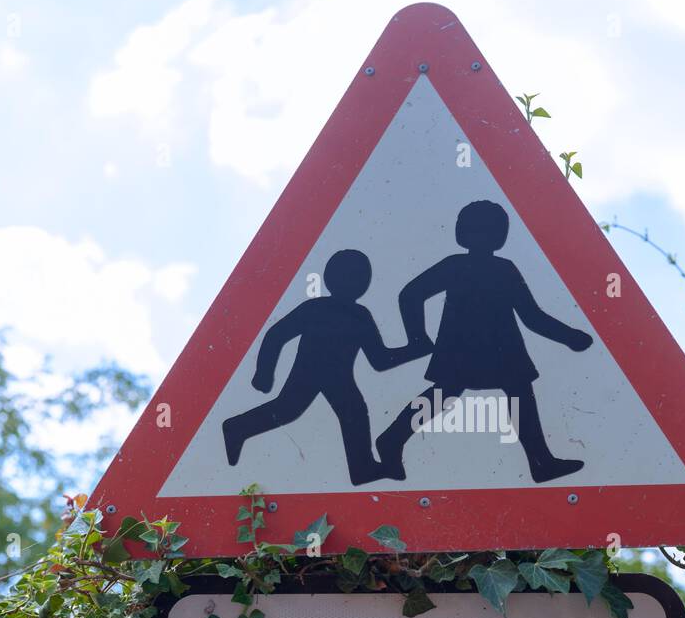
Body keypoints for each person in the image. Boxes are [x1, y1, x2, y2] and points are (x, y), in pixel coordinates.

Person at [375, 200, 593, 483]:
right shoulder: (456, 265)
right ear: (463, 233)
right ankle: (392, 439)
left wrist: (570, 337)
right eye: (478, 230)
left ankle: (541, 462)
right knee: (451, 392)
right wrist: (417, 337)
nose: (484, 237)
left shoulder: (505, 269)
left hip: (500, 347)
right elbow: (410, 295)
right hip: (464, 347)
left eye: (489, 231)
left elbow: (531, 316)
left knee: (514, 393)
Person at [221, 249, 417, 485]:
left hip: (339, 377)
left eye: (359, 276)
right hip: (308, 372)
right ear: (330, 278)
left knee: (353, 413)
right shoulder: (315, 308)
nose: (354, 282)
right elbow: (277, 334)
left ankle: (362, 468)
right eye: (348, 276)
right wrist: (263, 373)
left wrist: (415, 349)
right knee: (288, 410)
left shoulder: (360, 315)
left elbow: (380, 359)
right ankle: (235, 427)